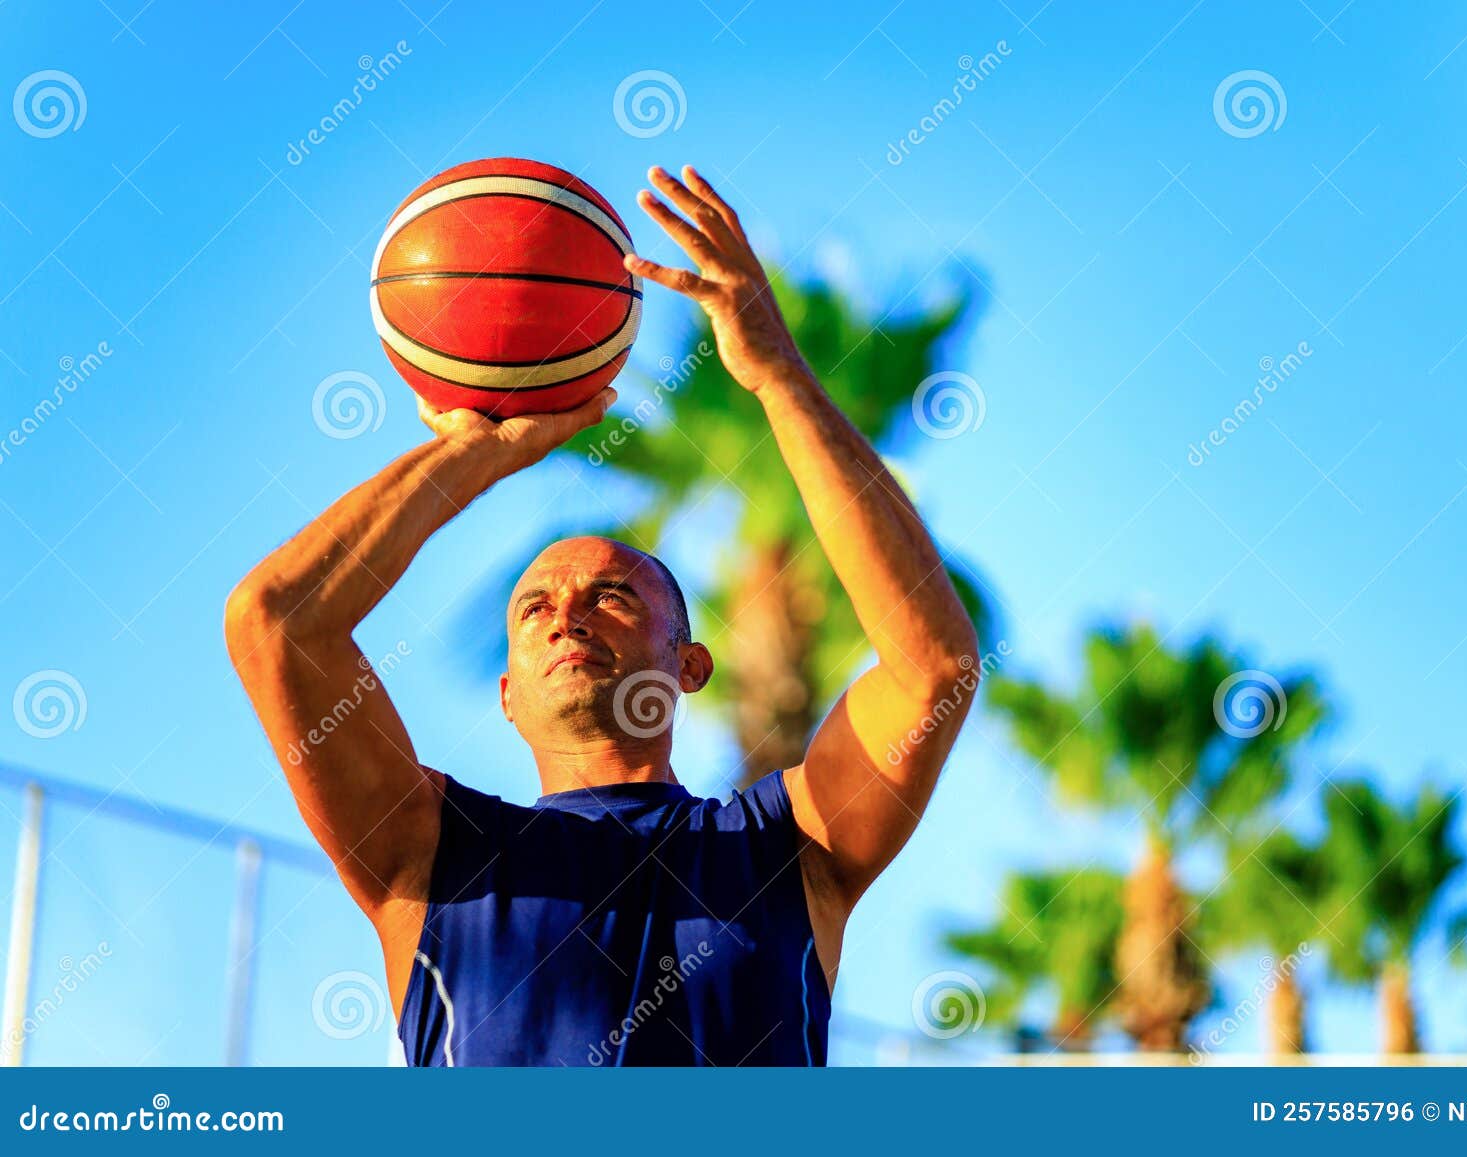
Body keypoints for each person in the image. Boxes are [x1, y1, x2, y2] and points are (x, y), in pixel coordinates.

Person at [224, 164, 979, 1065]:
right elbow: (278, 621)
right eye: (535, 604)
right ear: (507, 692)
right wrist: (480, 451)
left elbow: (930, 666)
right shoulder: (431, 852)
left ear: (689, 665)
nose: (566, 615)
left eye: (613, 595)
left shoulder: (789, 847)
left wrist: (778, 376)